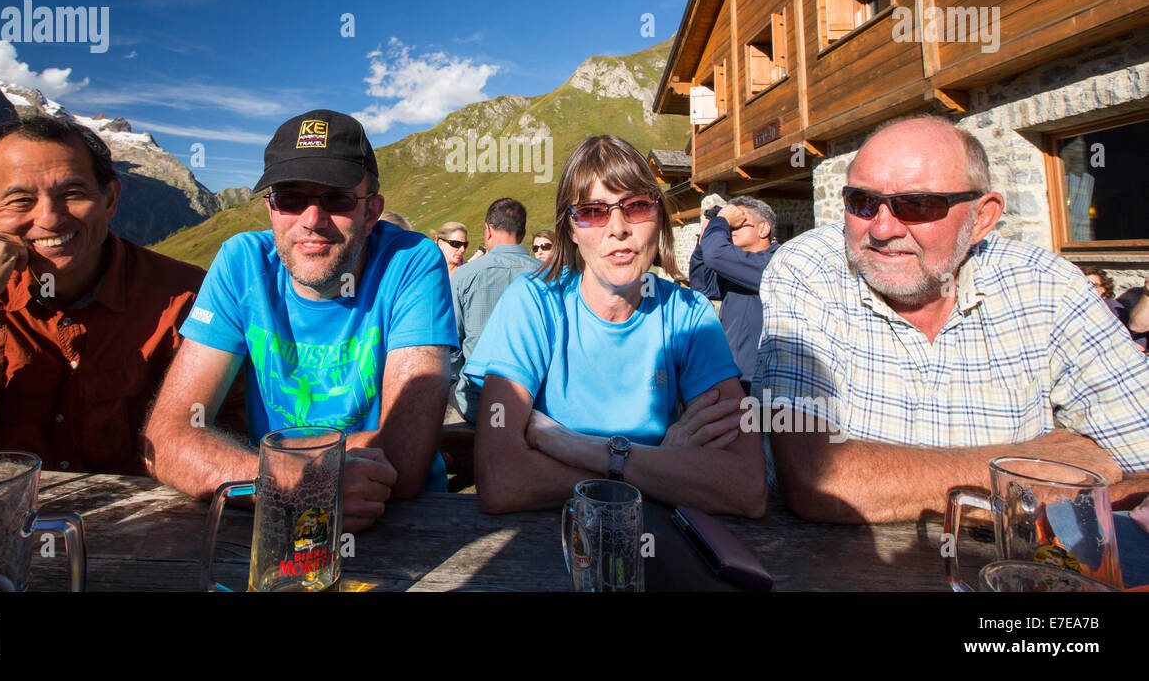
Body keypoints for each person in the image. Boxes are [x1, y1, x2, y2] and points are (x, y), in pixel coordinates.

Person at [756, 114, 1149, 523]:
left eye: (918, 205)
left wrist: (898, 480)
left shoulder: (1048, 287)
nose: (883, 228)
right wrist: (1036, 466)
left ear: (982, 217)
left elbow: (1141, 457)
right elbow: (818, 478)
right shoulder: (810, 267)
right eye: (862, 202)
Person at [141, 110, 456, 534]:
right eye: (290, 198)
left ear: (371, 212)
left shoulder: (411, 262)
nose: (312, 219)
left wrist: (260, 457)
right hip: (275, 515)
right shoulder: (241, 263)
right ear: (270, 207)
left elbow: (403, 458)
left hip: (400, 522)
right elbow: (166, 439)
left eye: (338, 198)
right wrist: (285, 480)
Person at [0, 116, 205, 475]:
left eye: (72, 194)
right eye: (20, 201)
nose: (49, 219)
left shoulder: (189, 297)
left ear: (110, 199)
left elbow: (221, 434)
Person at [466, 135, 766, 516]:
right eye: (592, 211)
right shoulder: (532, 303)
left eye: (637, 206)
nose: (618, 227)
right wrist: (659, 462)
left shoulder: (689, 314)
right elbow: (501, 478)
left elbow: (746, 485)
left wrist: (590, 450)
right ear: (571, 230)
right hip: (548, 550)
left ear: (659, 218)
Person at [449, 198, 543, 422]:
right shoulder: (549, 275)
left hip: (476, 401)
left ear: (488, 231)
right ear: (522, 234)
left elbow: (451, 344)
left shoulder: (464, 276)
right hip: (535, 403)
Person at [688, 195, 780, 387]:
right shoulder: (741, 265)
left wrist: (720, 223)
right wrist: (705, 237)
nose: (729, 230)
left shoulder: (775, 263)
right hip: (732, 376)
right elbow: (702, 286)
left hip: (760, 383)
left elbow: (716, 255)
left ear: (763, 229)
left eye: (737, 223)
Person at [1076, 265, 1149, 353]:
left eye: (1093, 285)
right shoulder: (1070, 307)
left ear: (1103, 289)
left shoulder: (1110, 307)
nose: (1088, 288)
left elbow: (1137, 336)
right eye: (1083, 284)